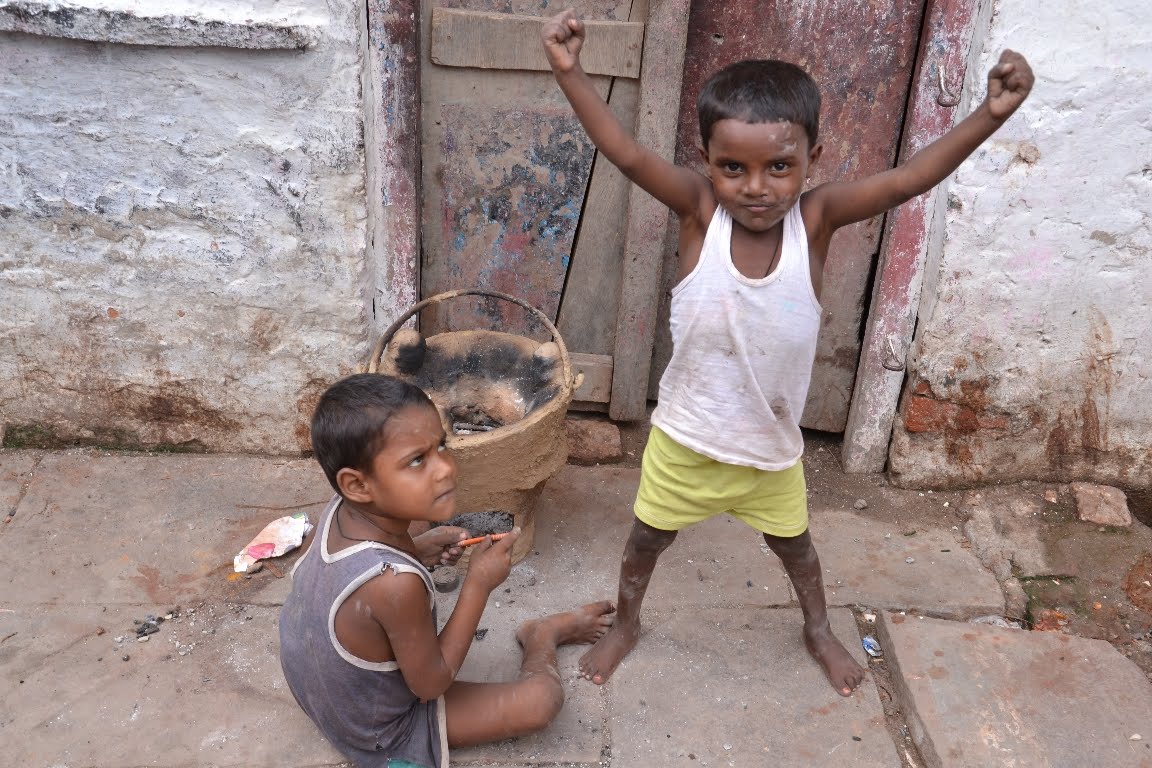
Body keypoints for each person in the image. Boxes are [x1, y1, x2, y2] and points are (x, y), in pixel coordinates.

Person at [541, 10, 1033, 696]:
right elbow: (625, 152)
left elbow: (911, 178)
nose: (756, 186)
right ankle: (626, 622)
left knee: (797, 549)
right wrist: (571, 73)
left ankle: (817, 628)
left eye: (779, 167)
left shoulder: (817, 220)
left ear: (812, 162)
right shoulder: (697, 212)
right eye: (732, 167)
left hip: (769, 448)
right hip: (687, 439)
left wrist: (990, 113)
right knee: (647, 541)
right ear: (706, 162)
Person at [279, 373, 615, 768]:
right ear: (356, 485)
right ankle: (542, 636)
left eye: (441, 446)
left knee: (416, 526)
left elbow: (367, 573)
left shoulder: (339, 512)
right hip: (378, 731)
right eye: (417, 460)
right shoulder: (395, 585)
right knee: (541, 704)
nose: (445, 469)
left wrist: (418, 550)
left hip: (326, 695)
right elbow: (431, 684)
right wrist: (478, 585)